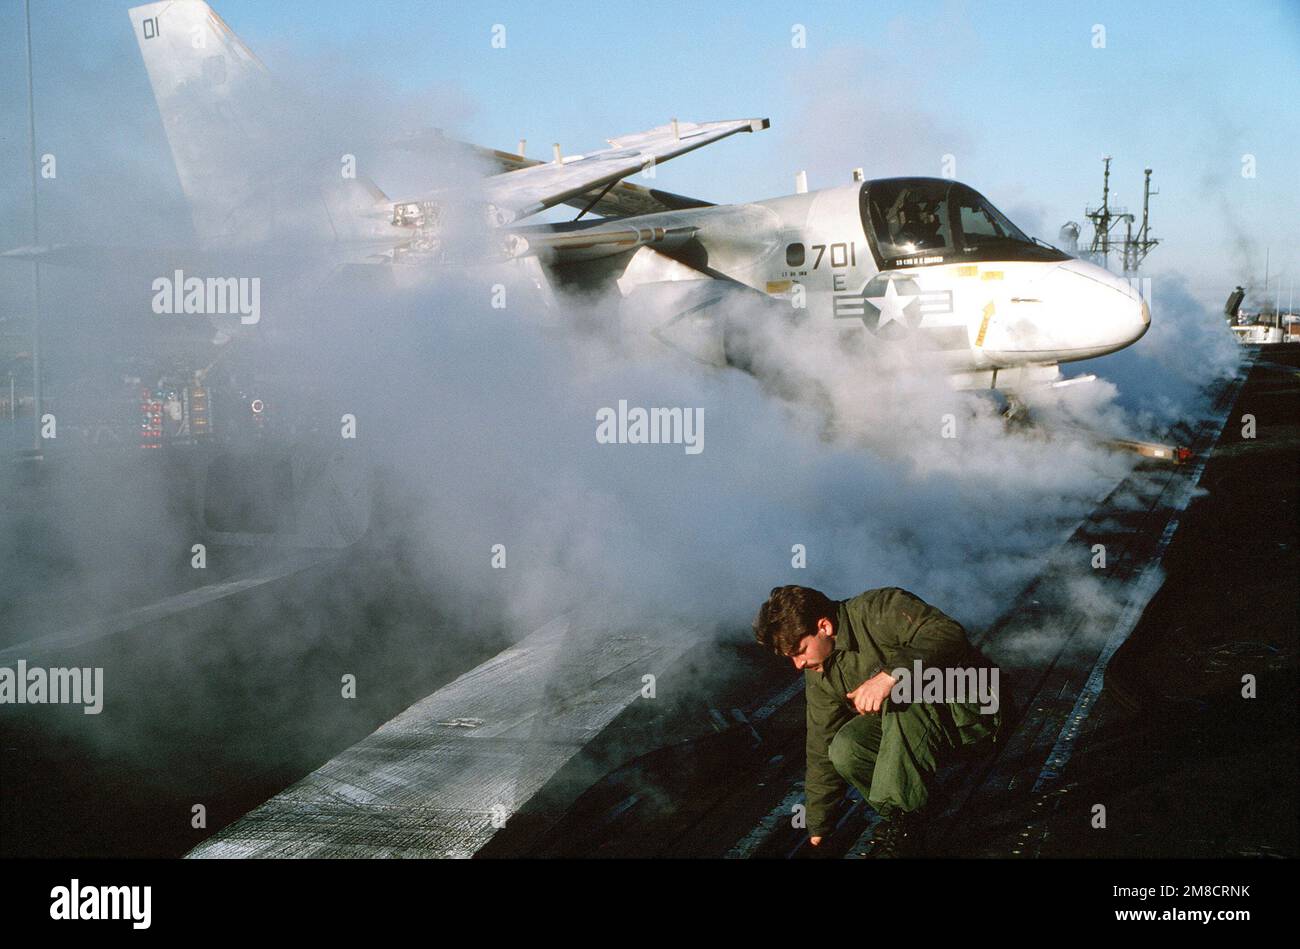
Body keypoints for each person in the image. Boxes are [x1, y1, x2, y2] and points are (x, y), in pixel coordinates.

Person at [752, 584, 1003, 856]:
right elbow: (820, 745)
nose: (798, 664)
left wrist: (889, 676)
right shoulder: (821, 670)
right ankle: (906, 817)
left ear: (823, 626)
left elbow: (947, 633)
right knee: (846, 746)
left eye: (800, 651)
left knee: (902, 694)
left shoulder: (879, 607)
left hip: (975, 711)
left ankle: (907, 822)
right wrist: (818, 826)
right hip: (915, 728)